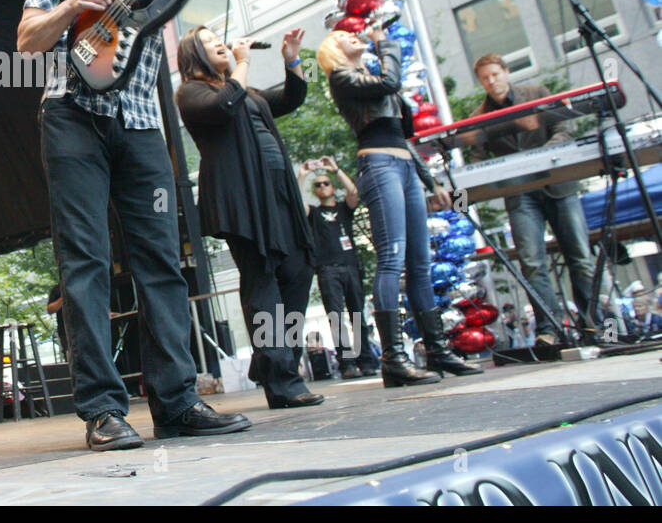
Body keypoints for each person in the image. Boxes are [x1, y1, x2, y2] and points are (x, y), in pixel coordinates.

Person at [18, 0, 256, 450]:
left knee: (161, 259)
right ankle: (102, 409)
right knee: (85, 261)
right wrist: (73, 6)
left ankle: (176, 402)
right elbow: (26, 40)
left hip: (143, 122)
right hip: (72, 115)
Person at [318, 28, 482, 386]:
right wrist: (386, 44)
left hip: (404, 166)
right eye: (345, 35)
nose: (354, 35)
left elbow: (402, 136)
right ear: (333, 50)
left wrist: (430, 181)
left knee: (419, 262)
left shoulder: (371, 78)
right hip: (378, 166)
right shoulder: (342, 77)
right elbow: (391, 83)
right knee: (392, 259)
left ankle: (438, 351)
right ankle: (393, 358)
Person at [175, 25, 324, 409]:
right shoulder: (191, 93)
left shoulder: (247, 92)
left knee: (298, 270)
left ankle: (272, 360)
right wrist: (242, 63)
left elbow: (291, 97)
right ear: (194, 56)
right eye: (210, 43)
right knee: (263, 278)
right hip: (241, 196)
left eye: (219, 39)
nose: (220, 44)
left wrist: (291, 59)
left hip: (277, 192)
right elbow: (225, 105)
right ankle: (282, 379)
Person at [467, 55, 600, 344]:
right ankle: (548, 329)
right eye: (485, 78)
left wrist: (543, 157)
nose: (491, 81)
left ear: (506, 72)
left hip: (558, 183)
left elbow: (563, 128)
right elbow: (477, 158)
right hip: (520, 194)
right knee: (531, 261)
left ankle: (594, 325)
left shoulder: (536, 93)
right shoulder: (480, 116)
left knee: (580, 255)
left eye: (495, 74)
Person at [301, 157, 379, 379]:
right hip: (327, 269)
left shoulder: (345, 209)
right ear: (315, 191)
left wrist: (335, 169)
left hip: (350, 266)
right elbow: (297, 202)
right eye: (318, 185)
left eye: (326, 183)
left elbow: (354, 191)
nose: (323, 186)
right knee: (336, 317)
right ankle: (346, 363)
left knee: (357, 316)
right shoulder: (314, 214)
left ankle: (366, 360)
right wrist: (304, 174)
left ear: (333, 187)